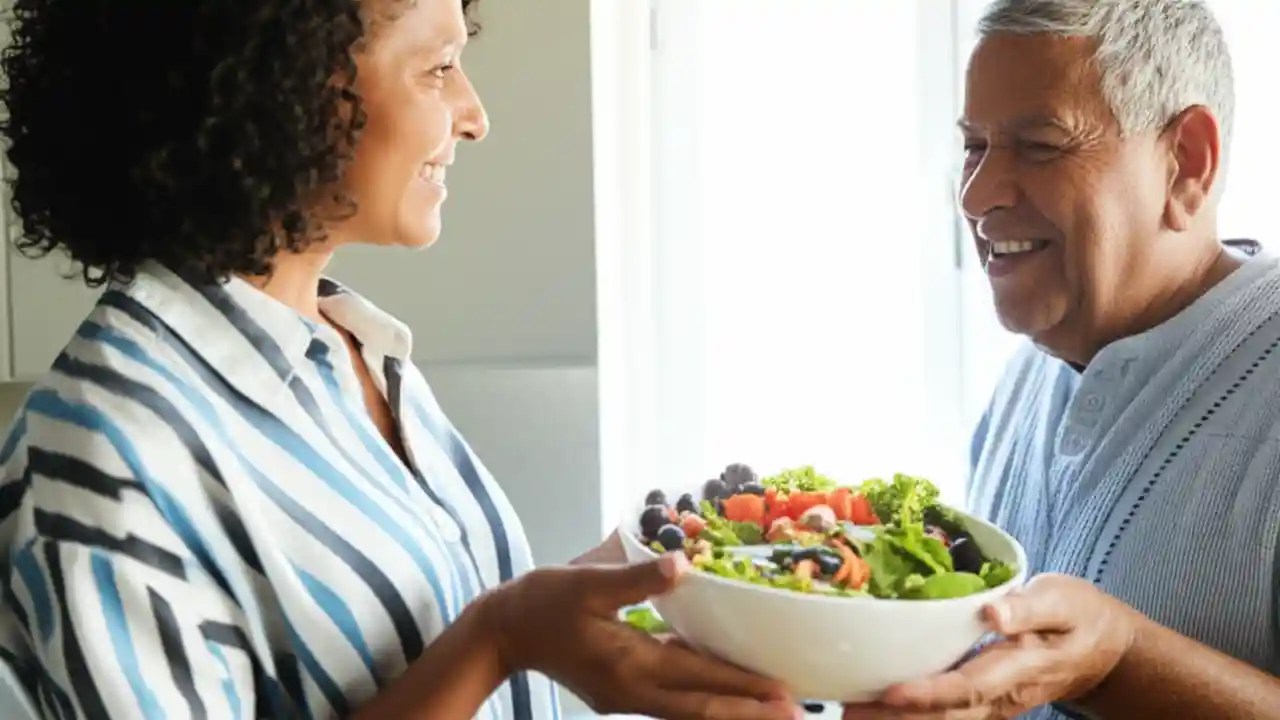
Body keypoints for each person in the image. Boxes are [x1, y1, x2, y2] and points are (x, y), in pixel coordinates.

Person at [0, 1, 803, 719]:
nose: (475, 114)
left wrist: (625, 594)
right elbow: (486, 642)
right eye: (439, 69)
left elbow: (426, 644)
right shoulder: (101, 451)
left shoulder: (353, 347)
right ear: (284, 89)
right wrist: (501, 639)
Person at [844, 1, 1280, 719]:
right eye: (974, 147)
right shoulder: (1025, 376)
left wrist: (1122, 661)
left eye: (1041, 145)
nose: (976, 196)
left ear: (1187, 164)